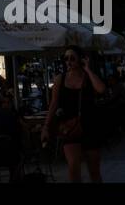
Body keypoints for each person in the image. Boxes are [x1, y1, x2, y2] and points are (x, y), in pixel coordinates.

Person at [41, 47, 107, 182]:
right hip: (69, 127)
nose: (68, 62)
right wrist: (46, 126)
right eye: (66, 58)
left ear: (80, 59)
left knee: (94, 170)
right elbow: (53, 104)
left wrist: (87, 69)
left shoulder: (88, 77)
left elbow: (101, 89)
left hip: (90, 125)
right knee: (73, 166)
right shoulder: (60, 79)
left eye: (72, 58)